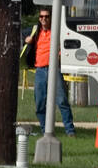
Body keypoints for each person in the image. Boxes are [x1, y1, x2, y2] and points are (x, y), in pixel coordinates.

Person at [23, 8, 75, 137]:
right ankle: (45, 130)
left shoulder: (57, 30)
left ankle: (70, 131)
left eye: (46, 16)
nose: (43, 19)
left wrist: (62, 53)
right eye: (41, 16)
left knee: (62, 100)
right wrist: (27, 39)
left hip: (54, 69)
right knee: (40, 102)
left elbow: (69, 42)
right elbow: (21, 34)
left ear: (51, 17)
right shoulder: (36, 31)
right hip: (40, 70)